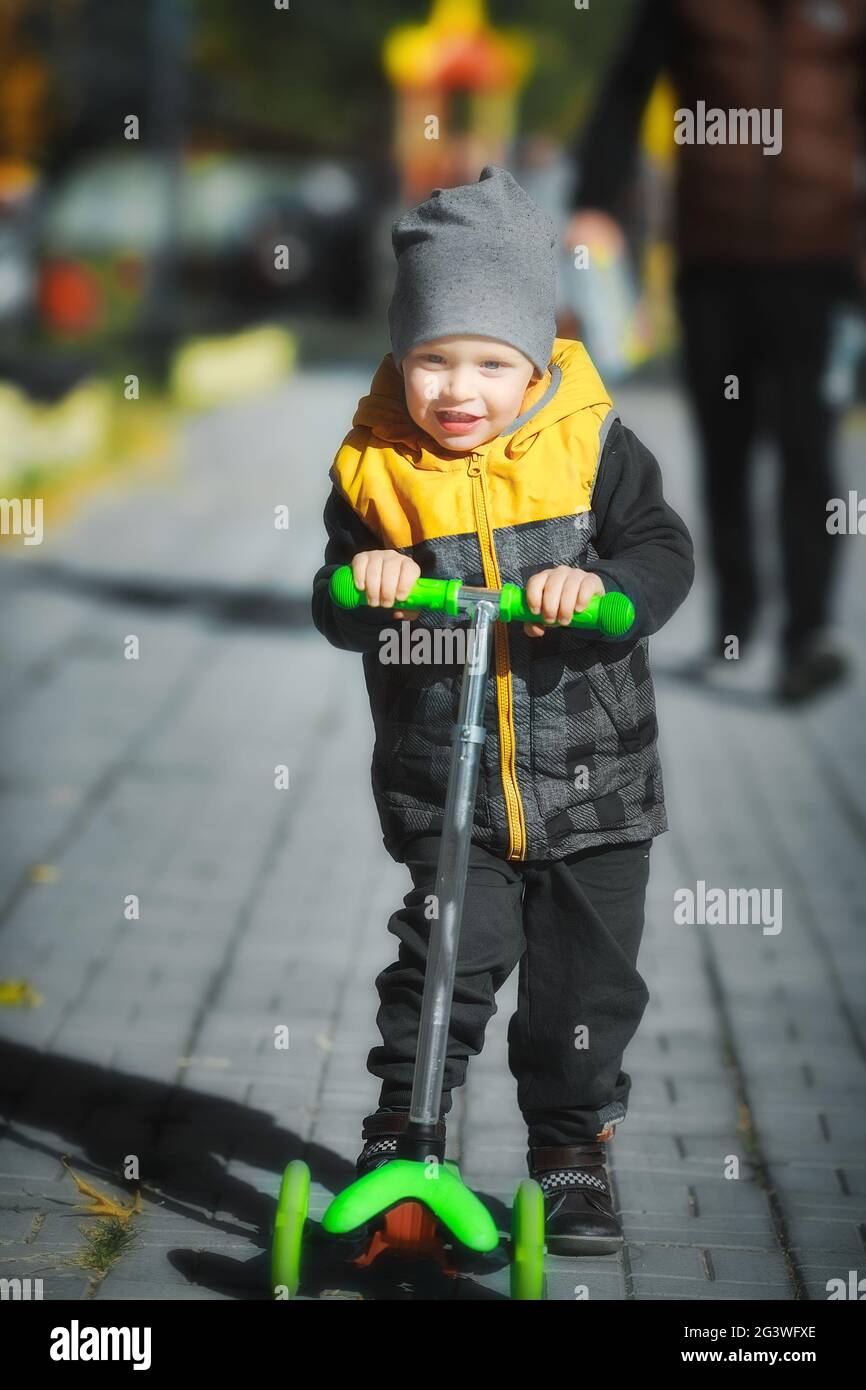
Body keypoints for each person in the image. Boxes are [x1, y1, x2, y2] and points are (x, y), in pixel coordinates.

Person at [310, 166, 694, 1255]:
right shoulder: (378, 469)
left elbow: (662, 553)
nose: (457, 389)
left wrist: (604, 592)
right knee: (440, 958)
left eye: (488, 362)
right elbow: (332, 600)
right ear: (401, 355)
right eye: (432, 359)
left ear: (535, 359)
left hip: (596, 787)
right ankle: (405, 1134)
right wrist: (366, 583)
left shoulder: (592, 448)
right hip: (451, 787)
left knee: (584, 987)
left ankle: (569, 1151)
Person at [564, 0, 866, 703]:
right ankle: (735, 625)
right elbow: (626, 87)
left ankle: (809, 635)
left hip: (820, 262)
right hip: (712, 259)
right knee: (724, 447)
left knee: (808, 446)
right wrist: (594, 200)